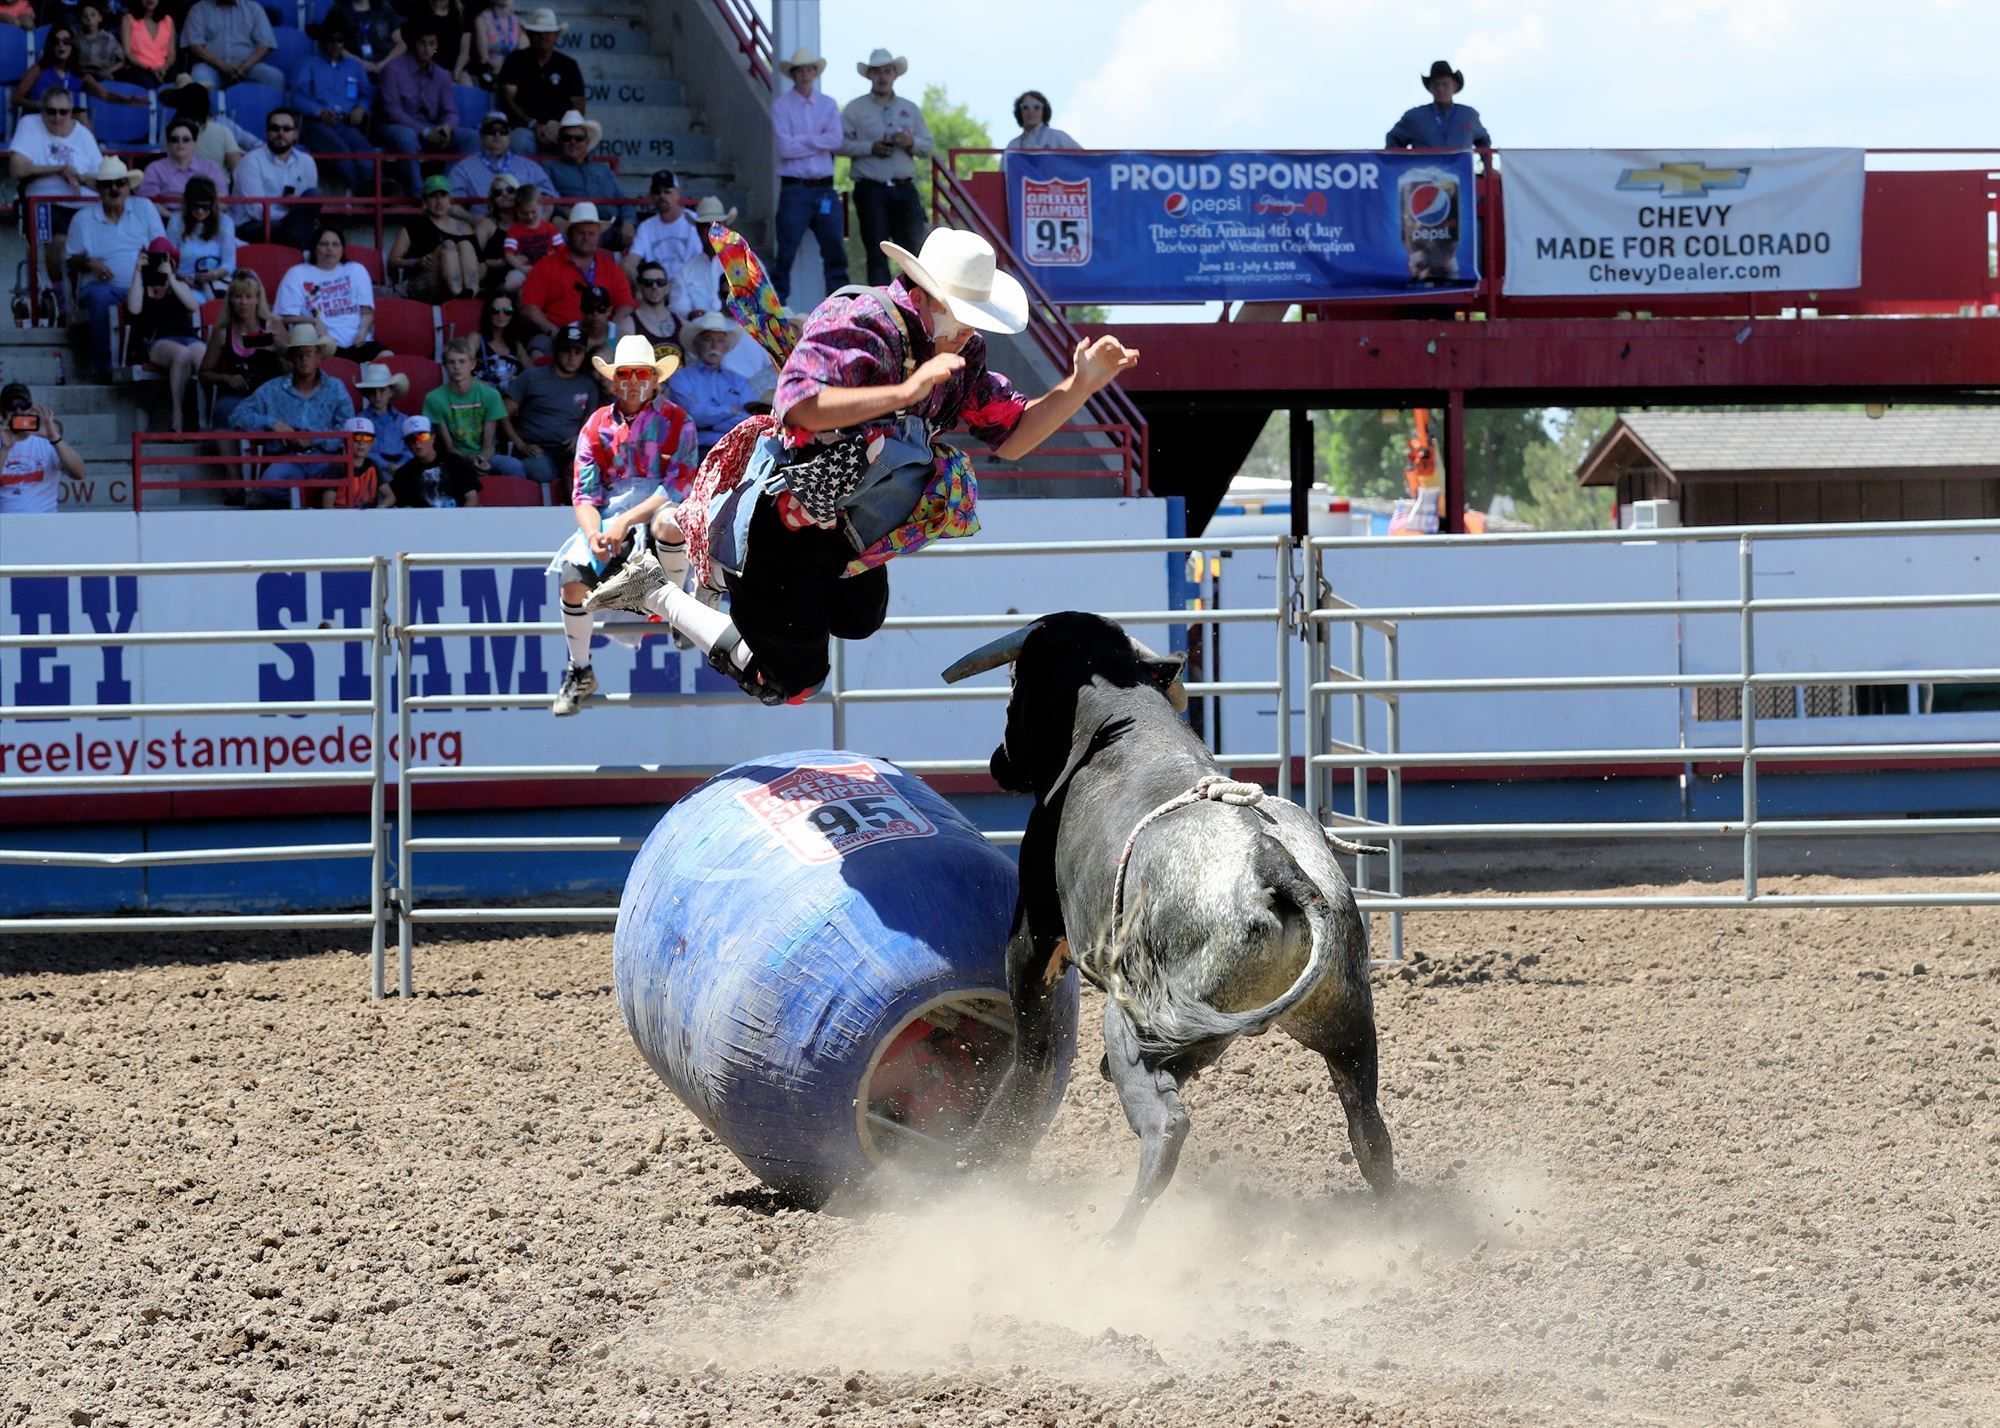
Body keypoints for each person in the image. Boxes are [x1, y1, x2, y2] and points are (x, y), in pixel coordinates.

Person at [589, 228, 1140, 705]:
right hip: (786, 525)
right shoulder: (860, 318)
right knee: (792, 683)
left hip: (852, 526)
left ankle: (713, 578)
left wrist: (1080, 385)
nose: (974, 332)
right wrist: (906, 390)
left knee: (859, 619)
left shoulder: (962, 353)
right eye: (968, 318)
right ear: (927, 296)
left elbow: (1014, 437)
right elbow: (798, 405)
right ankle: (656, 590)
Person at [544, 334, 695, 716]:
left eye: (641, 373)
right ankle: (579, 669)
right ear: (614, 381)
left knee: (671, 525)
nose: (632, 380)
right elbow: (584, 494)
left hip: (659, 508)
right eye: (625, 373)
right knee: (572, 578)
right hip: (609, 514)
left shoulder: (678, 420)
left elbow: (678, 484)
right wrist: (593, 533)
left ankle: (680, 610)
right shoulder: (596, 425)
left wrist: (625, 521)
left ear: (655, 380)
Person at [232, 322, 356, 507]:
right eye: (298, 353)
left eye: (309, 353)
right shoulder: (272, 389)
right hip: (287, 458)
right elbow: (237, 416)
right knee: (269, 485)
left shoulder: (335, 388)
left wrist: (314, 439)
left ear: (318, 356)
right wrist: (273, 424)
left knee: (341, 481)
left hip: (325, 459)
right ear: (291, 357)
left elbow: (347, 428)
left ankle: (304, 500)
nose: (303, 358)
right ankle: (308, 500)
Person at [66, 157, 165, 383]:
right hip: (102, 286)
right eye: (107, 184)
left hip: (143, 284)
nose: (114, 189)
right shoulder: (83, 218)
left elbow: (161, 247)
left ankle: (155, 361)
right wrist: (92, 264)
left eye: (120, 183)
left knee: (167, 293)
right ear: (99, 189)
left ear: (128, 187)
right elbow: (70, 259)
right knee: (99, 296)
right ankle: (104, 368)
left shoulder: (144, 208)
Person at [839, 47, 930, 288]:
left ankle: (913, 305)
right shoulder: (855, 109)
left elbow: (928, 146)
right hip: (871, 188)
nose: (882, 77)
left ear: (895, 75)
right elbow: (839, 144)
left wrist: (912, 143)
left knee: (913, 252)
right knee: (876, 251)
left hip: (904, 186)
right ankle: (881, 308)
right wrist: (870, 147)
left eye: (887, 71)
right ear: (869, 75)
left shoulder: (910, 109)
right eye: (877, 72)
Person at [769, 46, 845, 306]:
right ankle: (777, 308)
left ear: (814, 72)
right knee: (786, 254)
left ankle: (841, 306)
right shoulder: (782, 106)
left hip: (821, 188)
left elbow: (835, 140)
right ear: (794, 73)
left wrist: (802, 141)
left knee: (835, 249)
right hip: (796, 189)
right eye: (801, 70)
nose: (805, 74)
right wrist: (818, 141)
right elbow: (785, 148)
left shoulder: (828, 104)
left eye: (809, 69)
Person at [8, 91, 103, 298]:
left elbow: (102, 179)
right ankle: (62, 298)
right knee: (59, 242)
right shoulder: (30, 125)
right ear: (42, 111)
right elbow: (16, 169)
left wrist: (80, 176)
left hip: (84, 201)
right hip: (45, 201)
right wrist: (58, 169)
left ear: (71, 112)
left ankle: (87, 294)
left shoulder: (83, 135)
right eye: (51, 112)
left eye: (63, 112)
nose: (57, 117)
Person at [374, 24, 473, 196]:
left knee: (471, 138)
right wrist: (425, 131)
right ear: (413, 44)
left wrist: (447, 127)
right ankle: (418, 193)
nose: (427, 49)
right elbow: (393, 111)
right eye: (422, 43)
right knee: (406, 136)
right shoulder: (392, 70)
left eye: (432, 44)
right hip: (396, 126)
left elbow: (450, 111)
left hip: (433, 127)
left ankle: (442, 191)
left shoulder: (442, 75)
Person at [518, 200, 632, 343]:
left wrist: (609, 331)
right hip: (557, 337)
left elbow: (625, 306)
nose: (586, 238)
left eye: (591, 233)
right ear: (570, 234)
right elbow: (529, 308)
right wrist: (556, 333)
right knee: (539, 348)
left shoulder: (613, 270)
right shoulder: (545, 266)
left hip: (600, 339)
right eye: (581, 232)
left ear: (598, 237)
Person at [505, 320, 596, 488]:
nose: (572, 357)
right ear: (556, 351)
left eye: (578, 352)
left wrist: (579, 438)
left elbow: (590, 420)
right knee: (542, 471)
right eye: (566, 351)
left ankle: (578, 513)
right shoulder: (532, 376)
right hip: (535, 449)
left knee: (582, 471)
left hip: (570, 450)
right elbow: (503, 413)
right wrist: (520, 444)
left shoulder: (588, 384)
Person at [124, 236, 203, 428]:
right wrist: (137, 272)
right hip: (158, 340)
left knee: (204, 357)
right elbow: (134, 309)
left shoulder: (179, 286)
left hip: (188, 337)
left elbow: (193, 306)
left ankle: (206, 415)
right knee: (181, 354)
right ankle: (177, 413)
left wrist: (171, 278)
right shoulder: (141, 288)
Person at [274, 224, 384, 361]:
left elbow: (366, 312)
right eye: (324, 244)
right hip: (320, 345)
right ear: (315, 248)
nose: (330, 248)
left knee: (387, 358)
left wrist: (362, 332)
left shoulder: (356, 270)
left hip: (359, 342)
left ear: (343, 249)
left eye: (335, 244)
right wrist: (313, 321)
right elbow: (284, 317)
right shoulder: (297, 273)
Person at [292, 17, 373, 195]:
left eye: (339, 40)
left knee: (365, 150)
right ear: (323, 40)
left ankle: (371, 187)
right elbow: (297, 98)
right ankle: (362, 192)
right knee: (340, 150)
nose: (335, 44)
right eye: (331, 40)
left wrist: (361, 108)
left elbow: (367, 94)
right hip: (316, 124)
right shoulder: (309, 64)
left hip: (345, 123)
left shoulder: (355, 66)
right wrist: (319, 111)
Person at [423, 336, 527, 477]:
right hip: (454, 458)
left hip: (487, 455)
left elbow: (488, 445)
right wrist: (468, 460)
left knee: (514, 466)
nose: (457, 367)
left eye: (462, 361)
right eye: (451, 362)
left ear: (472, 364)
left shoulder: (490, 395)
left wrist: (481, 459)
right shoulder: (434, 398)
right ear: (445, 366)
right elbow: (449, 447)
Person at [199, 267, 281, 427]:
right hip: (234, 395)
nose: (243, 302)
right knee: (226, 411)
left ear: (257, 299)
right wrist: (226, 378)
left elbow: (292, 369)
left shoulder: (273, 326)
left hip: (268, 393)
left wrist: (278, 350)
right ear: (230, 300)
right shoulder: (222, 333)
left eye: (249, 297)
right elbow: (204, 373)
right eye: (238, 297)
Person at [495, 7, 582, 156]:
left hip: (560, 130)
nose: (542, 37)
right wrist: (532, 124)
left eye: (547, 33)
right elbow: (507, 98)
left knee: (579, 143)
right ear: (529, 35)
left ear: (555, 36)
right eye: (537, 33)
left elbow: (578, 104)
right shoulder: (515, 61)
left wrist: (561, 129)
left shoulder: (568, 65)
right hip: (524, 128)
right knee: (519, 142)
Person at [667, 312, 759, 453]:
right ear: (697, 344)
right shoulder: (681, 378)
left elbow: (750, 419)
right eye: (708, 339)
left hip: (733, 448)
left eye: (720, 340)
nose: (714, 345)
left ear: (726, 347)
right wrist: (729, 410)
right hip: (695, 450)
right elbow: (691, 416)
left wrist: (709, 424)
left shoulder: (738, 380)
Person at [231, 106, 319, 248]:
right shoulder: (251, 161)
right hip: (250, 225)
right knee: (300, 229)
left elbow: (308, 204)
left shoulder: (307, 162)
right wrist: (293, 218)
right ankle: (302, 257)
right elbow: (256, 211)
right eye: (275, 128)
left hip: (288, 225)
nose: (280, 133)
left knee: (314, 195)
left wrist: (297, 217)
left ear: (295, 134)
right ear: (267, 132)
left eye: (286, 129)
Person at [542, 109, 629, 248]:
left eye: (578, 138)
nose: (572, 142)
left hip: (612, 226)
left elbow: (624, 201)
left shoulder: (603, 170)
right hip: (578, 229)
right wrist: (563, 211)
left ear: (587, 142)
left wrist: (629, 222)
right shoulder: (549, 168)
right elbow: (545, 199)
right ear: (559, 141)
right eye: (566, 137)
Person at [389, 175, 478, 301]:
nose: (439, 201)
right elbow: (393, 260)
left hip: (461, 284)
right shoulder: (414, 225)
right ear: (425, 200)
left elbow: (481, 266)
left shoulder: (464, 228)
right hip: (423, 283)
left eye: (443, 195)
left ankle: (470, 294)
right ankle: (457, 294)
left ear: (449, 198)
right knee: (448, 245)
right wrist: (416, 261)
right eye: (433, 196)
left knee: (466, 245)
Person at [0, 387, 86, 515]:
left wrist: (54, 438)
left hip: (44, 521)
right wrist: (5, 448)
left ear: (32, 409)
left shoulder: (47, 441)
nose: (19, 411)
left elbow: (79, 473)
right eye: (11, 406)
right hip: (6, 523)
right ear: (2, 412)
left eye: (24, 406)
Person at [446, 109, 549, 208]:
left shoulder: (530, 166)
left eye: (503, 130)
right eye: (491, 130)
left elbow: (549, 196)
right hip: (481, 222)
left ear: (509, 135)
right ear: (481, 136)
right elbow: (453, 204)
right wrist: (474, 221)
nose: (497, 134)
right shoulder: (463, 169)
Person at [1386, 59, 1491, 150]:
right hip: (1426, 172)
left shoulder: (1469, 115)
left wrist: (1487, 165)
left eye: (1445, 84)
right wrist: (1398, 166)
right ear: (1430, 88)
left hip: (1461, 172)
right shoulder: (1415, 117)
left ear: (1454, 86)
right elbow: (1394, 139)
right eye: (1436, 85)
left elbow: (1483, 141)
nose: (1440, 88)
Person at [665, 195, 731, 336]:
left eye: (718, 226)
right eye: (706, 226)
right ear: (697, 229)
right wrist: (691, 314)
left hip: (739, 335)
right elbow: (677, 308)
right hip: (700, 338)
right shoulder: (685, 271)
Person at [164, 174, 237, 297]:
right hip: (184, 284)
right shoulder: (176, 221)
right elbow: (168, 260)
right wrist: (181, 277)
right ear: (187, 203)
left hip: (216, 282)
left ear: (213, 204)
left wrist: (214, 274)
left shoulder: (225, 222)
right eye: (195, 206)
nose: (200, 211)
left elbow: (229, 263)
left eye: (205, 207)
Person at [386, 413, 482, 507]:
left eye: (423, 436)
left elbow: (472, 498)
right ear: (407, 443)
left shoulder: (455, 462)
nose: (418, 443)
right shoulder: (403, 474)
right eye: (411, 439)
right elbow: (406, 509)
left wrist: (461, 520)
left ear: (433, 437)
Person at [623, 170, 701, 284]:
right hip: (657, 289)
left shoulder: (696, 221)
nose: (662, 196)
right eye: (657, 192)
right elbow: (633, 258)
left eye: (667, 191)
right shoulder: (646, 227)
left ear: (678, 193)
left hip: (690, 286)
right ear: (651, 196)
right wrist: (628, 265)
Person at [182, 0, 282, 89]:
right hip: (210, 66)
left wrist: (244, 67)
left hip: (248, 67)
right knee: (200, 77)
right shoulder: (199, 9)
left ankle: (273, 110)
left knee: (275, 77)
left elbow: (265, 45)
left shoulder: (253, 8)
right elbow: (195, 46)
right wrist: (222, 65)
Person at [135, 115, 227, 204]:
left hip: (205, 216)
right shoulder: (155, 169)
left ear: (194, 143)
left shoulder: (210, 168)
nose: (180, 143)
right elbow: (149, 202)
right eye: (174, 139)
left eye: (186, 139)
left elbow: (223, 201)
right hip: (165, 217)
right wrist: (173, 217)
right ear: (167, 143)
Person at [353, 360, 412, 468]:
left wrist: (401, 465)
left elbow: (409, 447)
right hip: (372, 468)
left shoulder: (403, 420)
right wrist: (386, 465)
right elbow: (362, 450)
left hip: (403, 467)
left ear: (391, 392)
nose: (377, 396)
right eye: (372, 391)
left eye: (382, 390)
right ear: (366, 394)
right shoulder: (360, 421)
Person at [323, 413, 389, 507]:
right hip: (342, 518)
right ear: (345, 441)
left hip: (368, 518)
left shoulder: (372, 464)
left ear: (372, 443)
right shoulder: (336, 467)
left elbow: (390, 496)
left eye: (367, 438)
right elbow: (327, 505)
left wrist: (377, 512)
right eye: (356, 438)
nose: (361, 443)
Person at [472, 172, 523, 291]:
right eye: (497, 193)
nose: (504, 195)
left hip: (525, 277)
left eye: (510, 190)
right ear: (492, 200)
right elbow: (472, 259)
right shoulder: (486, 224)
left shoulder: (528, 222)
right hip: (494, 282)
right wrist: (501, 262)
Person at [329, 0, 402, 77]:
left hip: (386, 68)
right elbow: (334, 45)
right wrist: (363, 64)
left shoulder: (384, 7)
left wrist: (382, 65)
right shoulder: (338, 10)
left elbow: (401, 43)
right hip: (353, 70)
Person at [501, 181, 558, 279]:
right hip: (524, 270)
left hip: (547, 268)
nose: (530, 217)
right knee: (512, 282)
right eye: (525, 213)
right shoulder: (514, 230)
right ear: (517, 210)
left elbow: (562, 249)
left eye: (533, 212)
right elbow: (509, 254)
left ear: (541, 205)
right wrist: (521, 267)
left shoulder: (550, 228)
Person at [473, 290, 527, 386]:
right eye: (495, 310)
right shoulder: (476, 338)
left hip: (512, 397)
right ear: (488, 312)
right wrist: (493, 387)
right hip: (483, 396)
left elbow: (533, 373)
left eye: (508, 311)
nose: (501, 315)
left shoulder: (515, 343)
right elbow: (462, 372)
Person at [119, 0, 176, 89]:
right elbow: (127, 53)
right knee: (148, 84)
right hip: (138, 68)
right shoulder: (128, 19)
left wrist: (164, 68)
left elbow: (172, 54)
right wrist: (150, 69)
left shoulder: (168, 20)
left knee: (182, 82)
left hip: (164, 68)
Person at [412, 0, 470, 84]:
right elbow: (422, 50)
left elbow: (464, 52)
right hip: (430, 67)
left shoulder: (462, 12)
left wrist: (455, 74)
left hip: (456, 69)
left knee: (467, 86)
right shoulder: (423, 11)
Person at [1006, 90, 1078, 150]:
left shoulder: (1058, 137)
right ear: (1019, 112)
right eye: (1025, 107)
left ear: (1044, 111)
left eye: (1036, 107)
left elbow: (1083, 160)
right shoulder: (1013, 146)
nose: (1031, 111)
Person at [624, 258, 674, 344]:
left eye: (660, 282)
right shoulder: (628, 324)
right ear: (640, 287)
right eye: (648, 282)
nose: (654, 287)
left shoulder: (681, 323)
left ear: (668, 287)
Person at [74, 2, 124, 85]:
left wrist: (109, 70)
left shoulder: (109, 38)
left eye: (93, 15)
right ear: (80, 19)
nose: (89, 19)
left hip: (103, 77)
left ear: (100, 18)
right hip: (81, 77)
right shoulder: (76, 38)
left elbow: (121, 61)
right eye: (85, 16)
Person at [471, 0, 519, 82]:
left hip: (511, 72)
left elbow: (524, 53)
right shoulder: (481, 20)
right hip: (489, 72)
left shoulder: (517, 20)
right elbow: (484, 58)